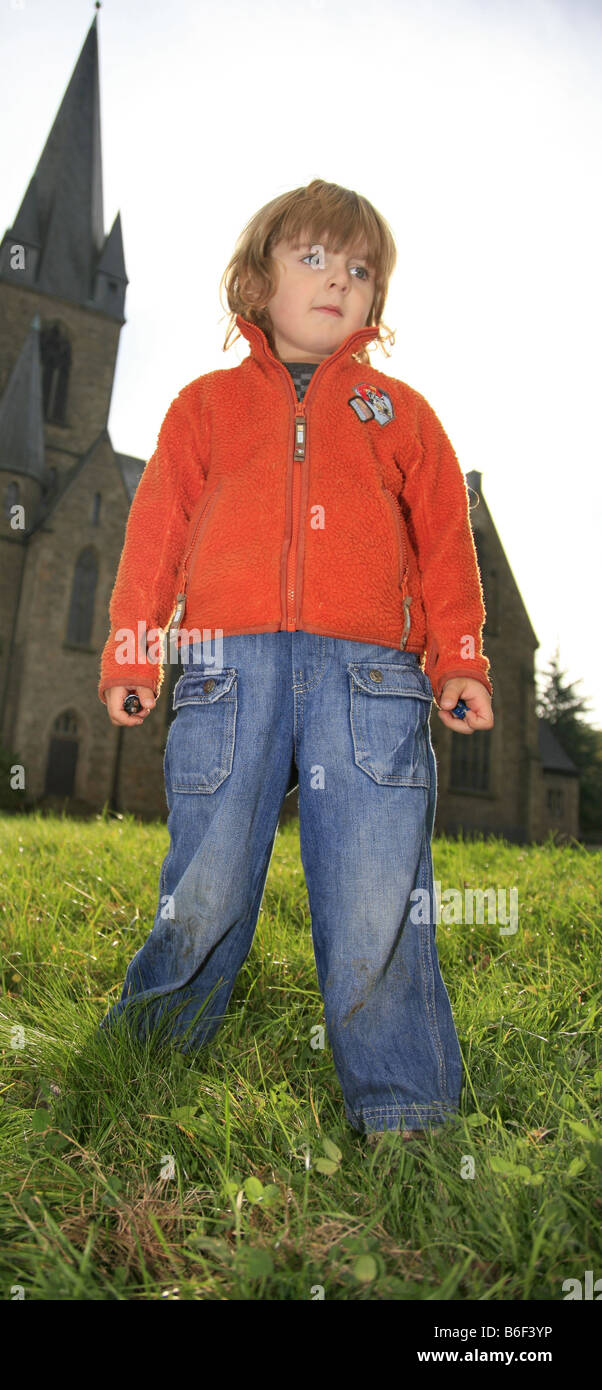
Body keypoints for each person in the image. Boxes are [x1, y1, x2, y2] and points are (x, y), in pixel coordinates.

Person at [95, 178, 494, 1139]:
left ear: (375, 300)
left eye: (360, 269)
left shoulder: (402, 415)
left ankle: (404, 1109)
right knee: (206, 883)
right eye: (312, 258)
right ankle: (144, 1066)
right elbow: (155, 532)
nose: (339, 281)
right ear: (255, 279)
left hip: (371, 683)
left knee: (375, 899)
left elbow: (445, 539)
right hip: (229, 673)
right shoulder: (203, 409)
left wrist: (461, 656)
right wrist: (133, 650)